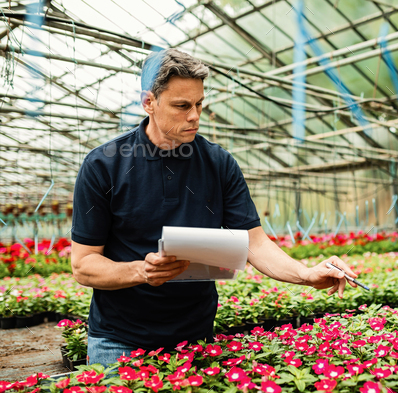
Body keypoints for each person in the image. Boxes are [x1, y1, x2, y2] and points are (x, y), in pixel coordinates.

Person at [70, 49, 358, 366]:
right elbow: (84, 264)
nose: (195, 115)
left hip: (196, 340)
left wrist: (306, 274)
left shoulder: (218, 163)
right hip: (120, 342)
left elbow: (255, 243)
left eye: (199, 104)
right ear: (148, 102)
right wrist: (143, 271)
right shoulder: (104, 165)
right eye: (182, 106)